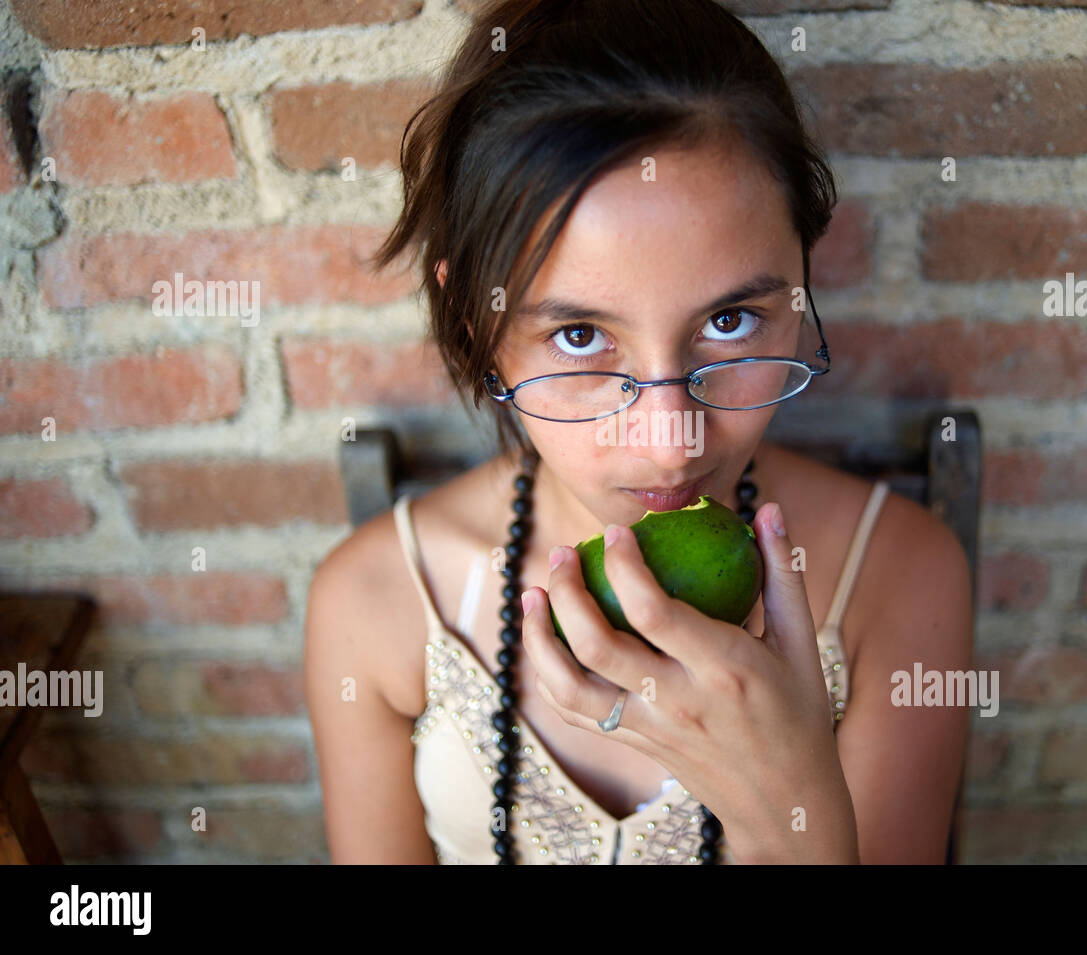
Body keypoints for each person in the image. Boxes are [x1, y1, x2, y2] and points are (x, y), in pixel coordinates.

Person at [305, 0, 972, 864]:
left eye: (732, 320)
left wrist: (793, 808)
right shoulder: (373, 603)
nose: (673, 444)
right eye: (581, 337)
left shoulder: (901, 578)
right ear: (475, 325)